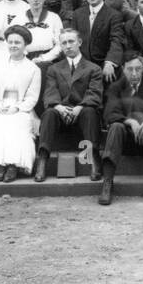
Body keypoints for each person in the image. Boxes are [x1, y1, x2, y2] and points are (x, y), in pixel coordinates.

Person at [98, 55, 143, 206]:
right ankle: (107, 183)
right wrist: (129, 121)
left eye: (138, 69)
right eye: (130, 69)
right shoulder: (115, 88)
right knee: (116, 126)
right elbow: (110, 114)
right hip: (124, 139)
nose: (134, 73)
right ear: (123, 69)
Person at [33, 29, 104, 182]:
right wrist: (58, 107)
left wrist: (80, 107)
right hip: (61, 111)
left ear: (79, 42)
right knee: (49, 114)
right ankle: (43, 159)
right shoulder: (54, 68)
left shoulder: (93, 68)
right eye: (64, 43)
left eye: (71, 41)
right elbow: (51, 91)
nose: (68, 46)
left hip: (83, 110)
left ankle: (94, 159)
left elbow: (94, 92)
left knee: (90, 112)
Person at [0, 25, 42, 182]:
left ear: (25, 44)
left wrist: (17, 108)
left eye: (18, 42)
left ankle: (13, 165)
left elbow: (32, 97)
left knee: (17, 121)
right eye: (10, 42)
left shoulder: (33, 69)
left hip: (22, 108)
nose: (13, 45)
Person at [72, 0, 125, 82]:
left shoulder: (114, 15)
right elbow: (74, 40)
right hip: (82, 64)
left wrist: (110, 62)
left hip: (103, 64)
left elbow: (117, 40)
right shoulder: (77, 14)